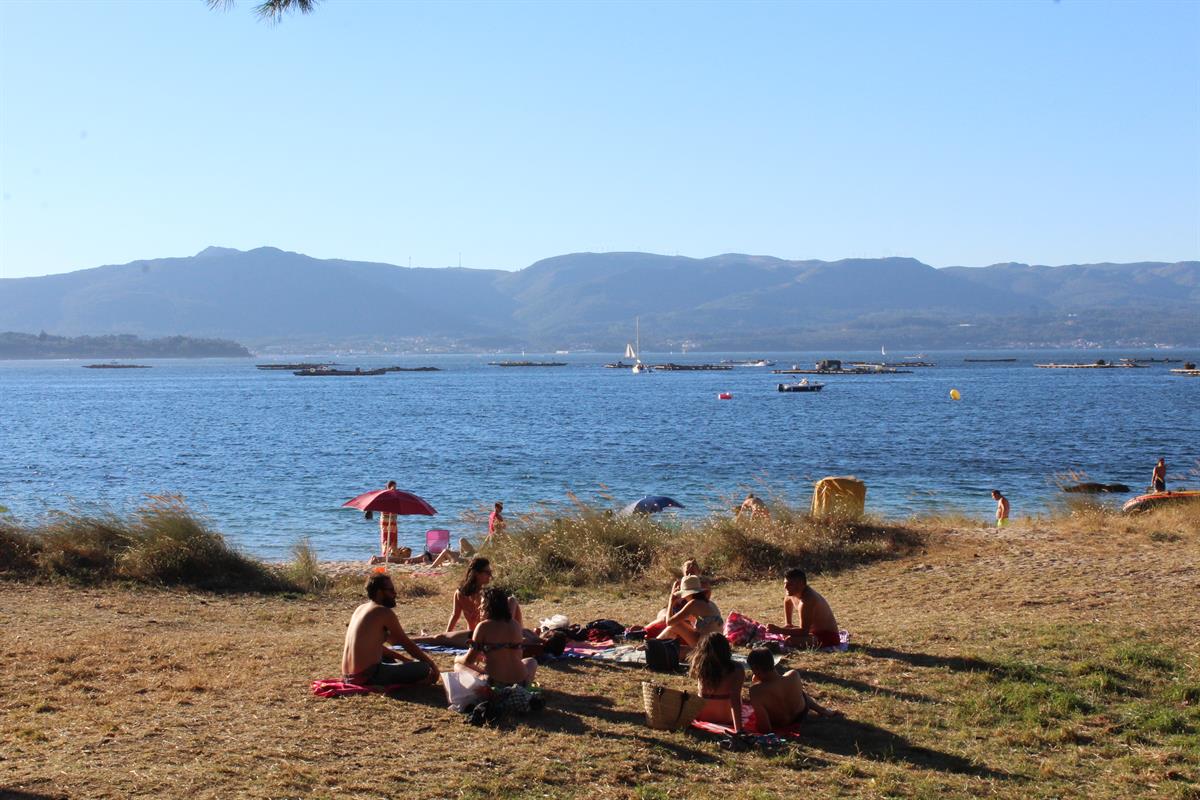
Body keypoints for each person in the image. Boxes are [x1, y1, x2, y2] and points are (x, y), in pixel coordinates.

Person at [340, 573, 439, 686]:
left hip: (348, 676)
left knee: (390, 659)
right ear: (379, 592)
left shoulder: (360, 608)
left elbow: (375, 647)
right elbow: (406, 643)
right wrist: (432, 665)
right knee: (423, 668)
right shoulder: (383, 612)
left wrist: (404, 659)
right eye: (390, 590)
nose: (395, 593)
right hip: (368, 677)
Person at [455, 586, 538, 688]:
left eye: (482, 604)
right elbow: (514, 656)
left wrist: (458, 658)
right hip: (522, 682)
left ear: (488, 606)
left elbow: (469, 660)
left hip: (495, 684)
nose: (479, 608)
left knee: (458, 666)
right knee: (531, 662)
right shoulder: (515, 624)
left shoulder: (483, 626)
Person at [745, 648, 840, 732]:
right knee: (800, 693)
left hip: (780, 722)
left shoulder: (756, 690)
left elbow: (765, 728)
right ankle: (823, 710)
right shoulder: (793, 675)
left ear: (756, 669)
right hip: (800, 715)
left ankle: (822, 710)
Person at [766, 568, 839, 649]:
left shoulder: (807, 600)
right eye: (785, 583)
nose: (785, 587)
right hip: (811, 632)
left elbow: (804, 631)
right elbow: (787, 600)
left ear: (800, 584)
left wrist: (779, 630)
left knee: (790, 641)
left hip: (828, 636)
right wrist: (788, 624)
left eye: (789, 584)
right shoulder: (792, 592)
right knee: (787, 634)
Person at [689, 633, 745, 734]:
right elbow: (735, 699)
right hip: (726, 718)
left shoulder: (700, 666)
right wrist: (739, 729)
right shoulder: (737, 669)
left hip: (703, 716)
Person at [656, 574, 722, 648]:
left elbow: (669, 622)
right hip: (717, 647)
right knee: (672, 648)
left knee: (676, 625)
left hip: (705, 646)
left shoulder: (693, 603)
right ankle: (655, 645)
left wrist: (671, 602)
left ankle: (653, 644)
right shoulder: (709, 603)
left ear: (687, 593)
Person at [378, 480, 399, 559]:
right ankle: (385, 555)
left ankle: (392, 554)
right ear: (389, 487)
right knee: (386, 537)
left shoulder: (395, 496)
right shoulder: (384, 496)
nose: (395, 489)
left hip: (392, 520)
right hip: (385, 520)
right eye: (394, 487)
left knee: (392, 537)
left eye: (396, 487)